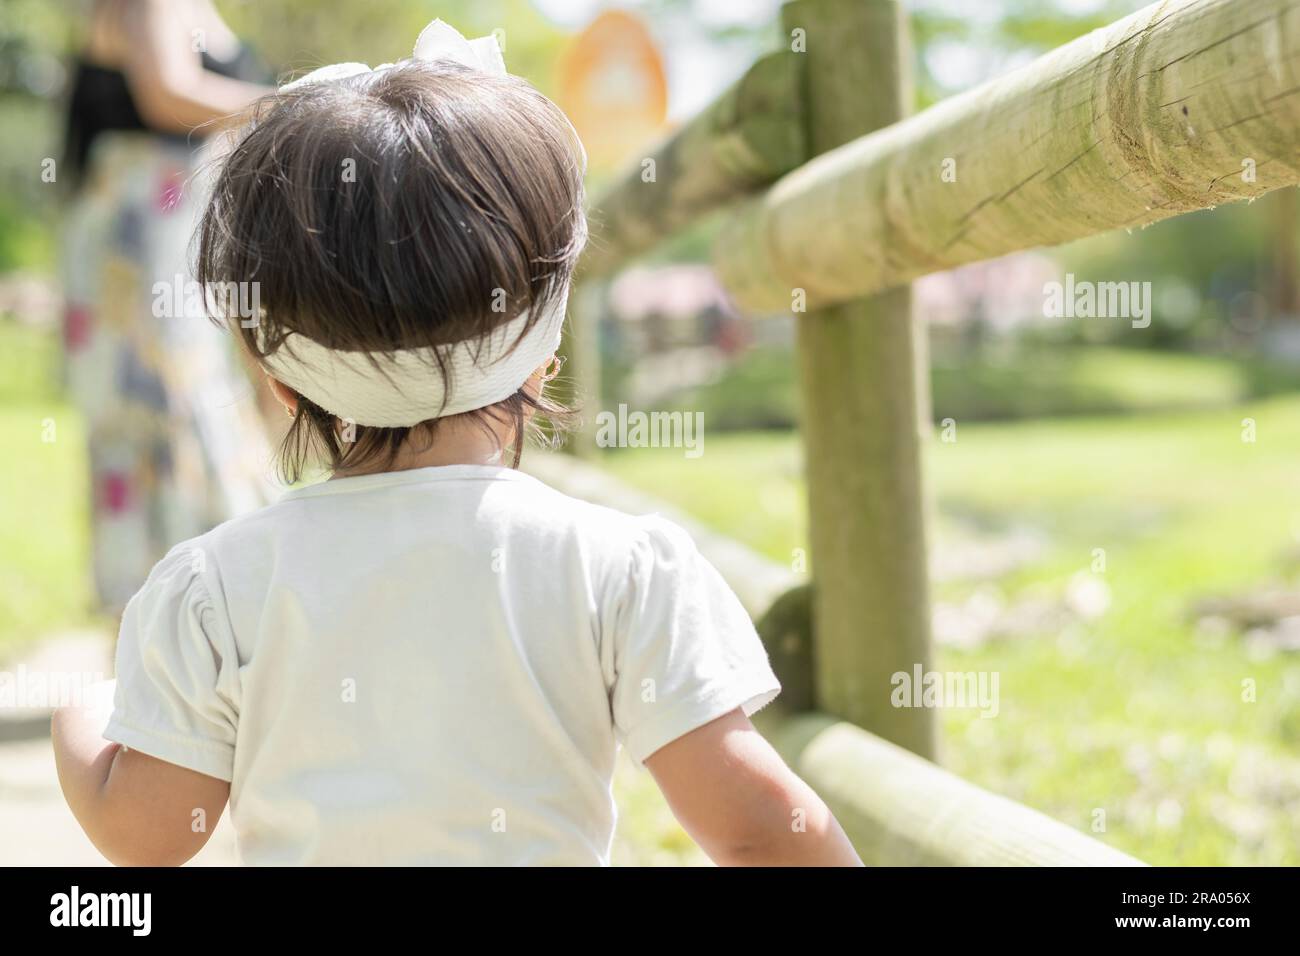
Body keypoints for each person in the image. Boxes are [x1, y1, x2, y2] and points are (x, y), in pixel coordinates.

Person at [51, 21, 862, 867]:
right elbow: (761, 830)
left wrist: (86, 709)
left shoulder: (217, 588)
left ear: (281, 382)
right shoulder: (619, 571)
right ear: (542, 358)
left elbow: (145, 837)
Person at [62, 0, 278, 613]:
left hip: (177, 220)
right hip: (137, 230)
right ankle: (172, 607)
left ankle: (195, 604)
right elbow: (166, 94)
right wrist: (293, 105)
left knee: (188, 399)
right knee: (161, 402)